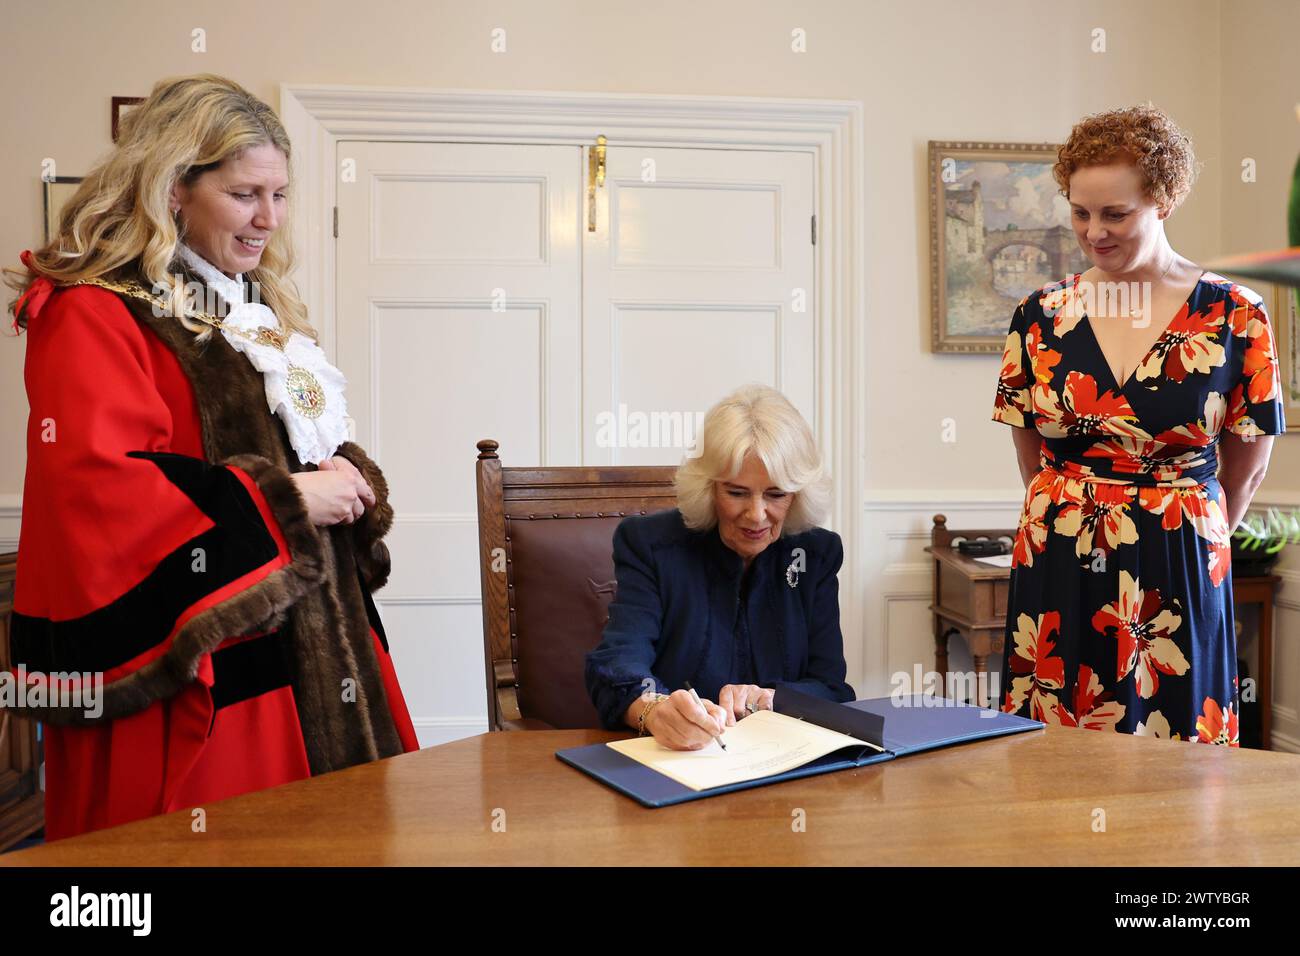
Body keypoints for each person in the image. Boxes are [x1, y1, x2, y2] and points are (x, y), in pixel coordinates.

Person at [2, 74, 419, 840]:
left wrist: (345, 473)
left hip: (327, 646)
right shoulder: (91, 310)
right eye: (244, 194)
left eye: (281, 194)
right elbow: (98, 486)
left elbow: (283, 447)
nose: (268, 218)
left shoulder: (249, 304)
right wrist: (288, 501)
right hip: (214, 668)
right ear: (171, 189)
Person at [991, 105, 1284, 743]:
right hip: (1058, 551)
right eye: (1080, 212)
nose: (1094, 232)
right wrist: (1073, 510)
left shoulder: (1237, 313)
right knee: (1057, 747)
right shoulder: (1040, 314)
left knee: (1179, 748)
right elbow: (1030, 452)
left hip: (1181, 551)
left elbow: (1249, 463)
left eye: (1115, 214)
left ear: (1165, 200)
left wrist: (1186, 530)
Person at [585, 384, 855, 750]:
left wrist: (772, 698)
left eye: (776, 494)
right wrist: (655, 710)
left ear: (798, 494)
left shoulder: (816, 554)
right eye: (737, 492)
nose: (757, 514)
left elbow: (832, 688)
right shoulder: (650, 544)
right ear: (709, 487)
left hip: (783, 766)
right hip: (678, 762)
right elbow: (616, 666)